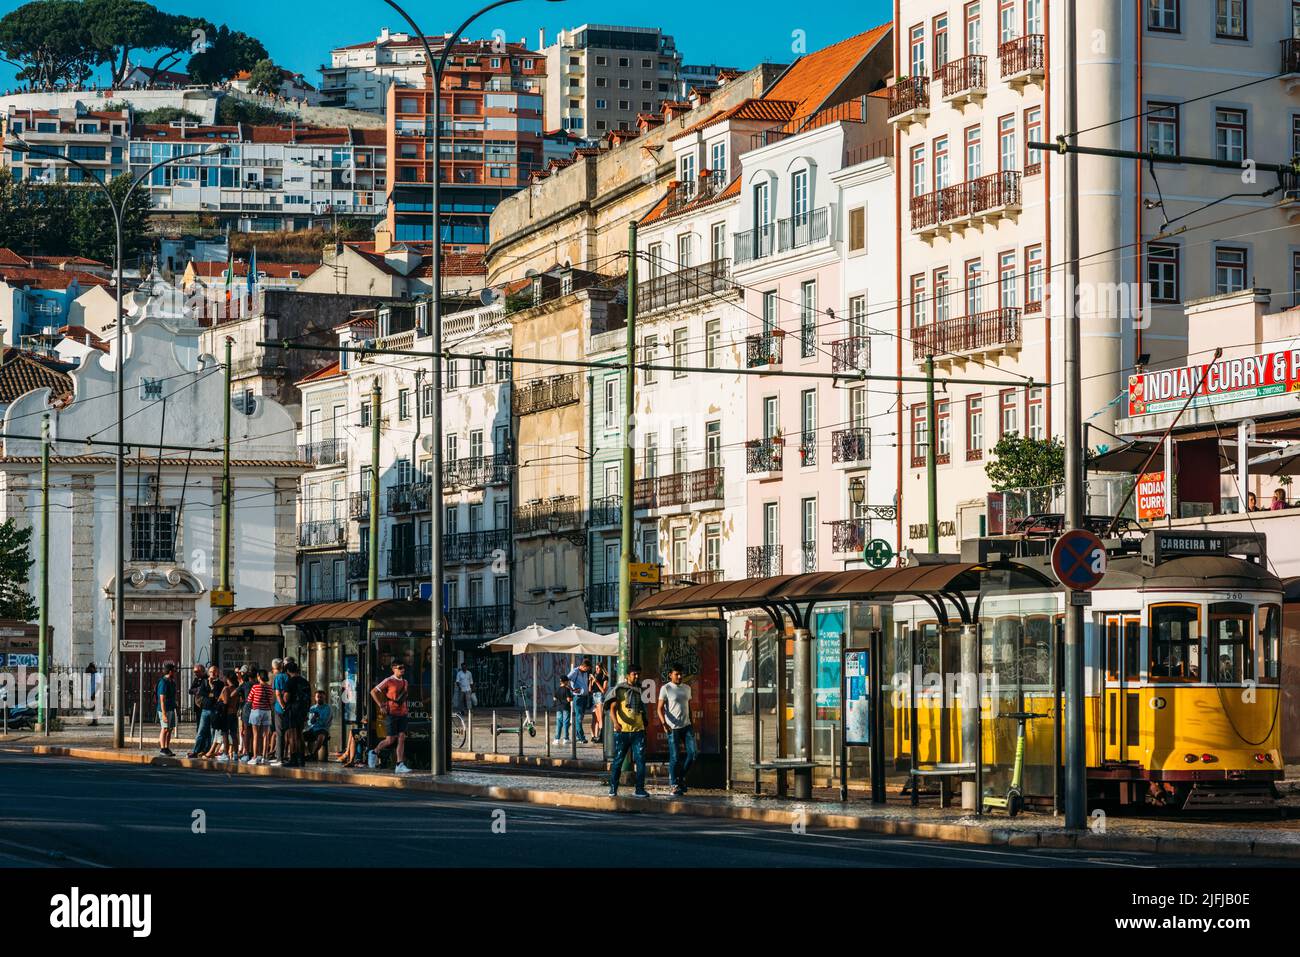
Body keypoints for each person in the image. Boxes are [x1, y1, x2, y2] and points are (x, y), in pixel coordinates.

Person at [604, 664, 649, 798]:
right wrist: (616, 723)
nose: (636, 676)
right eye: (634, 674)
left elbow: (642, 707)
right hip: (623, 731)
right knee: (618, 760)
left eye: (638, 674)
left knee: (640, 761)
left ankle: (639, 789)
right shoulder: (620, 689)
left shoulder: (640, 689)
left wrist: (645, 721)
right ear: (627, 676)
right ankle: (613, 787)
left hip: (638, 730)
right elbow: (612, 709)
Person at [657, 663, 696, 796]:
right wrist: (664, 724)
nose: (679, 676)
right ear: (670, 675)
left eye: (681, 674)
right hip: (672, 727)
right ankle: (674, 784)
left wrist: (692, 721)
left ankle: (680, 779)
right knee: (675, 756)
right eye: (676, 674)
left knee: (692, 754)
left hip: (687, 726)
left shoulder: (687, 688)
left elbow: (688, 706)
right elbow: (659, 708)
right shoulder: (666, 688)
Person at [368, 660, 412, 774]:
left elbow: (404, 697)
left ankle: (399, 764)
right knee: (390, 740)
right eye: (400, 667)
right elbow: (373, 692)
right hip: (391, 713)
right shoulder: (389, 680)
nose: (402, 669)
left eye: (403, 667)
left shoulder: (405, 682)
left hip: (403, 713)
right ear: (394, 669)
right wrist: (380, 705)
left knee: (402, 737)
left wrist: (406, 709)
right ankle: (374, 752)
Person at [283, 659, 311, 768]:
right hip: (303, 710)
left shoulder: (290, 681)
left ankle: (293, 758)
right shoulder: (305, 682)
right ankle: (301, 759)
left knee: (292, 735)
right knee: (300, 735)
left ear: (288, 671)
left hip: (292, 710)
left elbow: (286, 698)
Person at [188, 664, 221, 758]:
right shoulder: (204, 682)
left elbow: (217, 695)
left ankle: (208, 751)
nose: (212, 673)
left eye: (214, 672)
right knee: (201, 731)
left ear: (217, 673)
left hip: (214, 710)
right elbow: (202, 693)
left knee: (211, 732)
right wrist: (210, 693)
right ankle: (196, 751)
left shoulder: (220, 683)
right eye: (210, 672)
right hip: (205, 710)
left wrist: (211, 687)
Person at [245, 669, 274, 765]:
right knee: (266, 735)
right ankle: (264, 757)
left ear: (258, 676)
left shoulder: (255, 687)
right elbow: (271, 701)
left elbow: (249, 700)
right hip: (267, 711)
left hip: (256, 710)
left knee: (256, 735)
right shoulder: (270, 688)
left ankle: (255, 757)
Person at [212, 671, 241, 762]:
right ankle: (235, 753)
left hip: (226, 714)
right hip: (234, 714)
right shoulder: (237, 689)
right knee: (233, 734)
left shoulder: (226, 689)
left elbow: (225, 702)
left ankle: (226, 754)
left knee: (225, 734)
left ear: (228, 679)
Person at [567, 657, 592, 744]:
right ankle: (582, 737)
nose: (587, 670)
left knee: (580, 717)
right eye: (587, 669)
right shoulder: (575, 671)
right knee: (579, 718)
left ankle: (578, 736)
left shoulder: (585, 673)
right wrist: (572, 690)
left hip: (585, 697)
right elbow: (565, 680)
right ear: (583, 666)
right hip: (578, 698)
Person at [156, 661, 178, 756]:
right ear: (170, 671)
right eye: (173, 671)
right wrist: (164, 714)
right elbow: (162, 699)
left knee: (170, 729)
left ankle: (167, 747)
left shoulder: (172, 682)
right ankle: (162, 748)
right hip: (164, 709)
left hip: (171, 708)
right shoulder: (163, 682)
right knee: (164, 728)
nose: (174, 673)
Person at [270, 658, 289, 766]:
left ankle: (279, 758)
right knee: (288, 733)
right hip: (289, 708)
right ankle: (285, 755)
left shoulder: (278, 678)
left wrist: (283, 706)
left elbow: (277, 694)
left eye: (273, 669)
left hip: (279, 709)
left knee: (280, 733)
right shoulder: (288, 676)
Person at [304, 690, 333, 761]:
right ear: (315, 698)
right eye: (318, 697)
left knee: (321, 736)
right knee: (299, 736)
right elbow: (310, 723)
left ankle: (313, 754)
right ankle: (307, 753)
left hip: (323, 729)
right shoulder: (312, 708)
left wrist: (318, 718)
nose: (319, 698)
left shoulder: (328, 708)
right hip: (313, 729)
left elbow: (325, 722)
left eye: (321, 697)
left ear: (324, 698)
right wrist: (313, 718)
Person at [590, 662, 610, 741]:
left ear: (601, 669)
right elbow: (590, 689)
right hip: (593, 696)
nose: (596, 670)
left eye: (598, 668)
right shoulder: (595, 674)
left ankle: (601, 736)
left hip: (599, 696)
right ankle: (595, 736)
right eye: (596, 668)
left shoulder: (604, 677)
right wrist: (591, 681)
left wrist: (596, 681)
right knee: (594, 718)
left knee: (600, 718)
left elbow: (603, 690)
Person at [553, 675, 574, 744]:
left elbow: (554, 698)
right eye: (567, 681)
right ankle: (566, 738)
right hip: (566, 707)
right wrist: (573, 697)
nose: (568, 682)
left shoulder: (558, 689)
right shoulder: (566, 689)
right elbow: (568, 699)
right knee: (566, 723)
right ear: (565, 681)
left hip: (558, 708)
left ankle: (557, 739)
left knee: (559, 723)